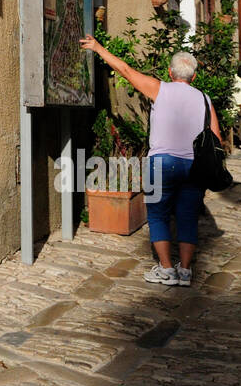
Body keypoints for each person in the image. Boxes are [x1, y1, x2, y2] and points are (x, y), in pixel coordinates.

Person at [78, 37, 220, 287]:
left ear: (169, 72)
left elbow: (126, 70)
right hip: (194, 166)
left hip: (161, 164)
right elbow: (216, 138)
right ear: (194, 77)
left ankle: (166, 269)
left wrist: (98, 48)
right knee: (188, 217)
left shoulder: (159, 88)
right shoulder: (205, 100)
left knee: (157, 215)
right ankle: (185, 271)